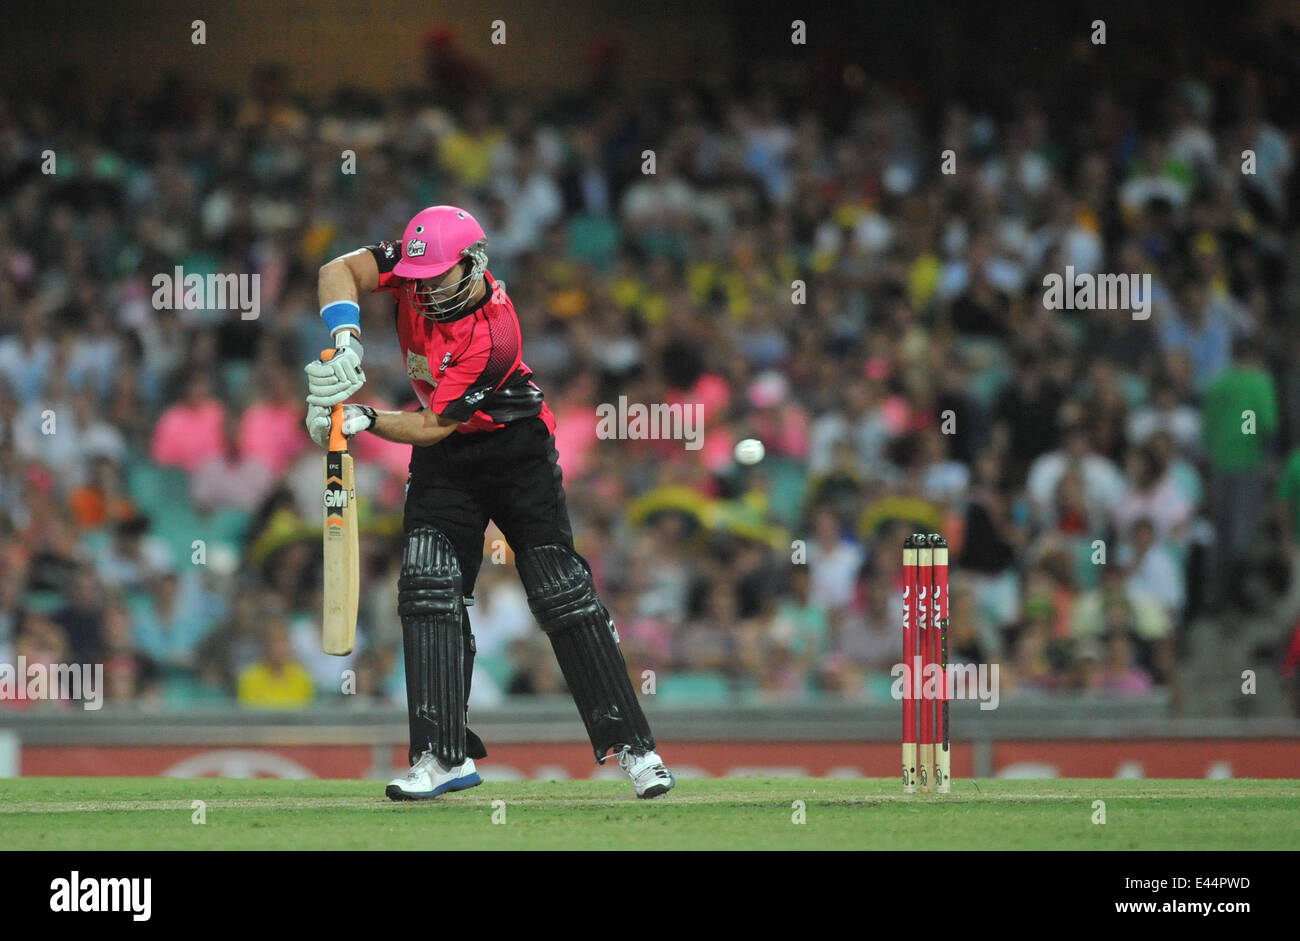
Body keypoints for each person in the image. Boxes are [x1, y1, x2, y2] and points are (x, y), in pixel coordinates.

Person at [304, 205, 674, 800]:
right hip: (449, 463)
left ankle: (636, 750)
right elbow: (336, 271)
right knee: (427, 584)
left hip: (513, 450)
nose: (424, 288)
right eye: (418, 276)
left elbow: (432, 426)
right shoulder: (414, 266)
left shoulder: (495, 333)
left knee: (560, 593)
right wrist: (346, 339)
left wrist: (360, 416)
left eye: (439, 277)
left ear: (474, 265)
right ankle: (441, 757)